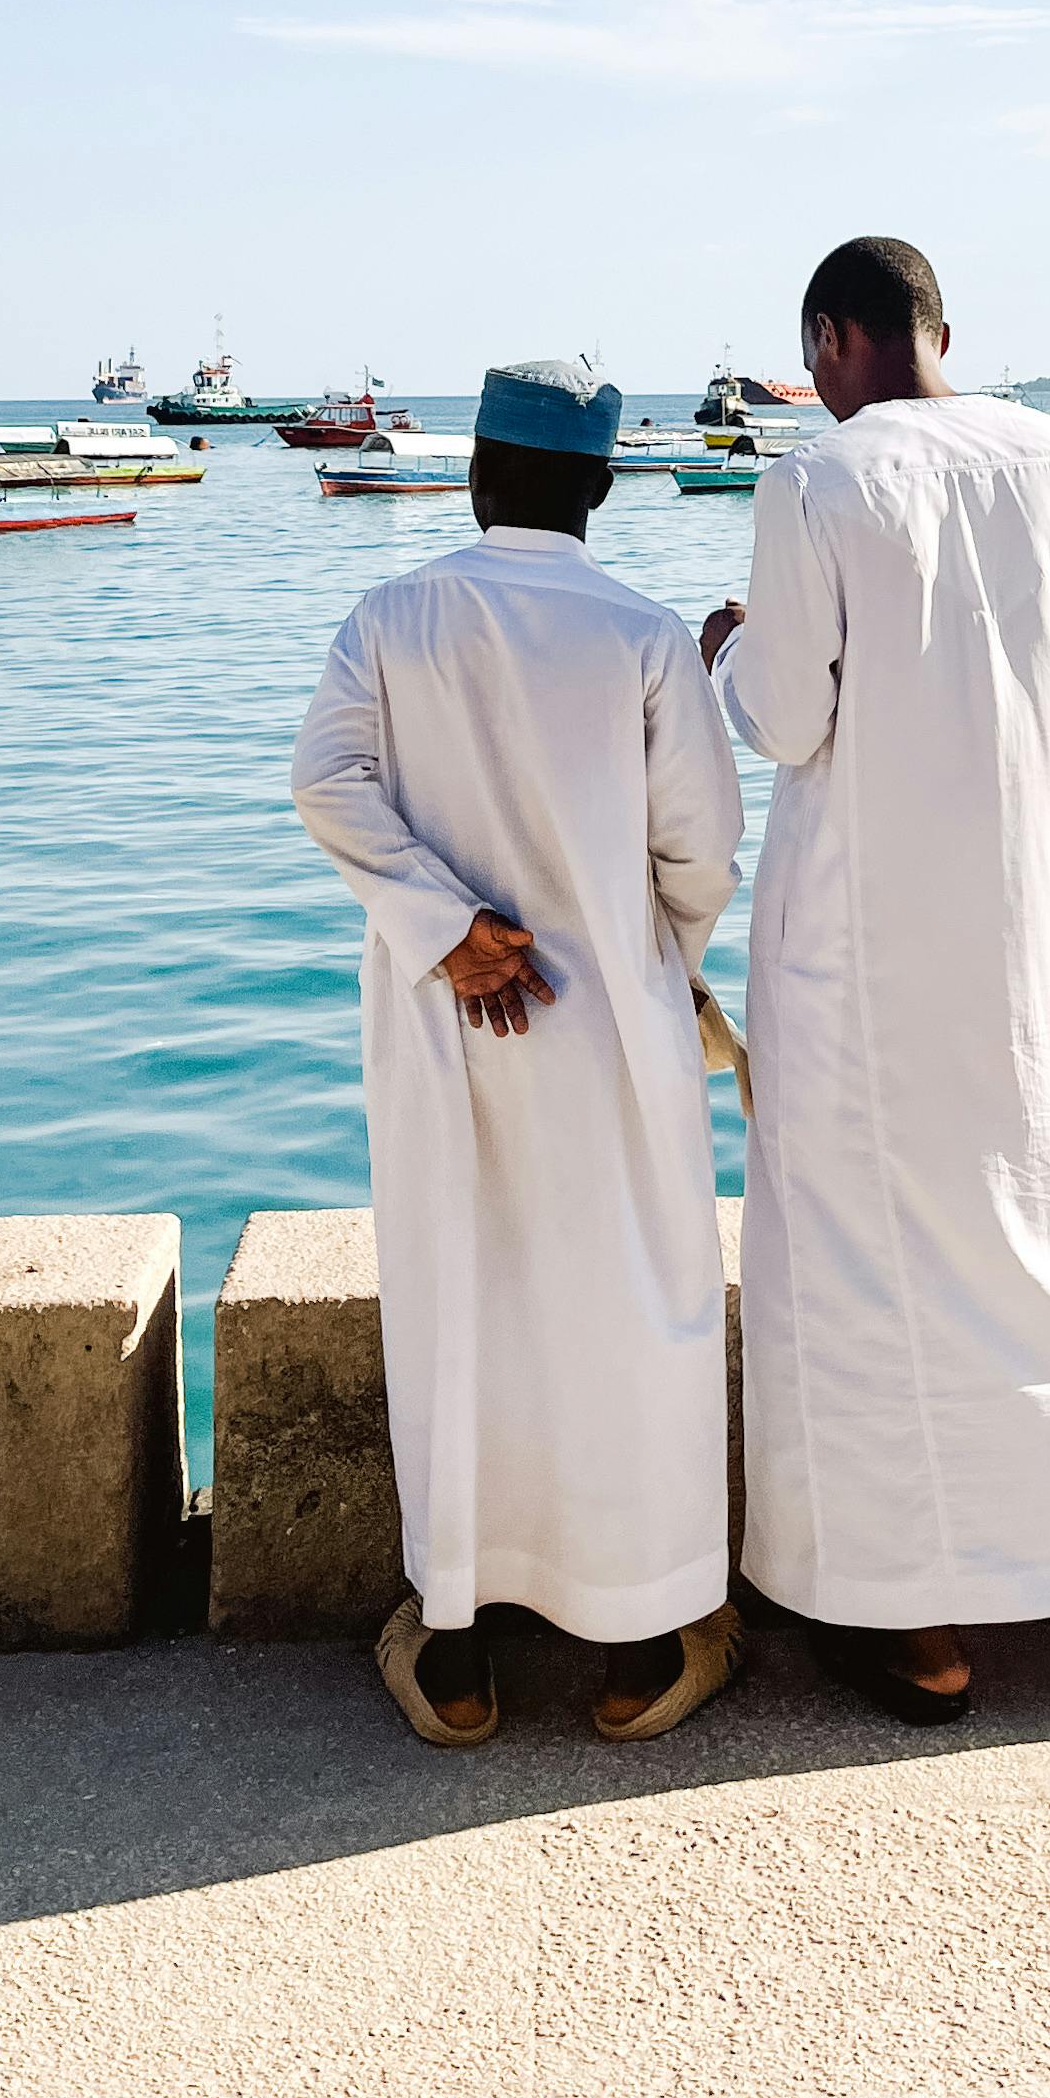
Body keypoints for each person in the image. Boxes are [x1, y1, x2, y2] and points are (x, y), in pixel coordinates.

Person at [702, 238, 1050, 1724]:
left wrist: (729, 648)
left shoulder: (819, 480)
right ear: (942, 328)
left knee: (861, 1271)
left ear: (832, 340)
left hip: (857, 953)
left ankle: (923, 1632)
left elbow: (784, 719)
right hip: (1026, 933)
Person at [293, 356, 747, 1747]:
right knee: (630, 1306)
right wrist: (639, 954)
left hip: (446, 1031)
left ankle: (455, 1657)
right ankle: (643, 1645)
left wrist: (449, 931)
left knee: (459, 1301)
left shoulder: (391, 617)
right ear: (601, 486)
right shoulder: (647, 637)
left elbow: (327, 784)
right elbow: (702, 854)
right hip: (610, 1032)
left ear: (479, 471)